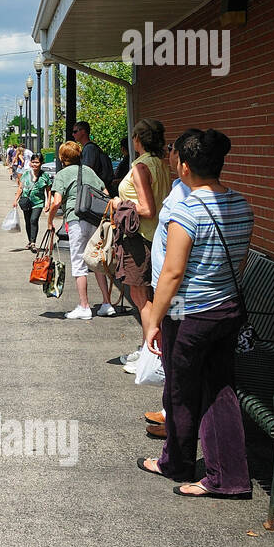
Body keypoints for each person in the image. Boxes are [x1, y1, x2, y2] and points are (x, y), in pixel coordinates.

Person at [137, 129, 253, 498]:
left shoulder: (187, 211)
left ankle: (178, 463)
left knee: (181, 393)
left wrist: (154, 319)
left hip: (190, 316)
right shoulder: (241, 204)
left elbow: (172, 272)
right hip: (227, 310)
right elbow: (240, 261)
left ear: (184, 166)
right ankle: (229, 476)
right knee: (220, 390)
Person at [143, 131, 199, 438]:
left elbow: (175, 270)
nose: (169, 155)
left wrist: (156, 317)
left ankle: (175, 422)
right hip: (167, 284)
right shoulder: (179, 187)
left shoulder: (187, 198)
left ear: (184, 159)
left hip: (176, 291)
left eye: (172, 150)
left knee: (175, 355)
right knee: (173, 356)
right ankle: (170, 411)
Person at [109, 119, 172, 372]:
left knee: (140, 296)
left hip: (140, 239)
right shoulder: (162, 164)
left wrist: (118, 204)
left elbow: (146, 208)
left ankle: (151, 354)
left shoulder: (140, 167)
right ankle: (151, 347)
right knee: (148, 296)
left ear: (138, 140)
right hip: (157, 236)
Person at [46, 140, 114, 320]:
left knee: (78, 262)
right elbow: (105, 193)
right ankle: (107, 303)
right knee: (96, 260)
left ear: (62, 157)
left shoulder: (62, 174)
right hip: (94, 219)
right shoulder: (89, 171)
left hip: (76, 220)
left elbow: (57, 201)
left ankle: (84, 306)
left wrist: (50, 220)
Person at [12, 152, 51, 250]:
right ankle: (30, 241)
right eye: (33, 162)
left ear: (41, 163)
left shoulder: (45, 176)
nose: (34, 164)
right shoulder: (26, 174)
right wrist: (15, 199)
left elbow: (48, 190)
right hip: (26, 201)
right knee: (28, 221)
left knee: (34, 220)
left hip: (38, 202)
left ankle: (33, 242)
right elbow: (21, 188)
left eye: (37, 162)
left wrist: (48, 202)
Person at [72, 120, 115, 187]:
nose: (73, 134)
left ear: (83, 131)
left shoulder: (89, 149)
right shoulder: (91, 147)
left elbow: (87, 172)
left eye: (75, 132)